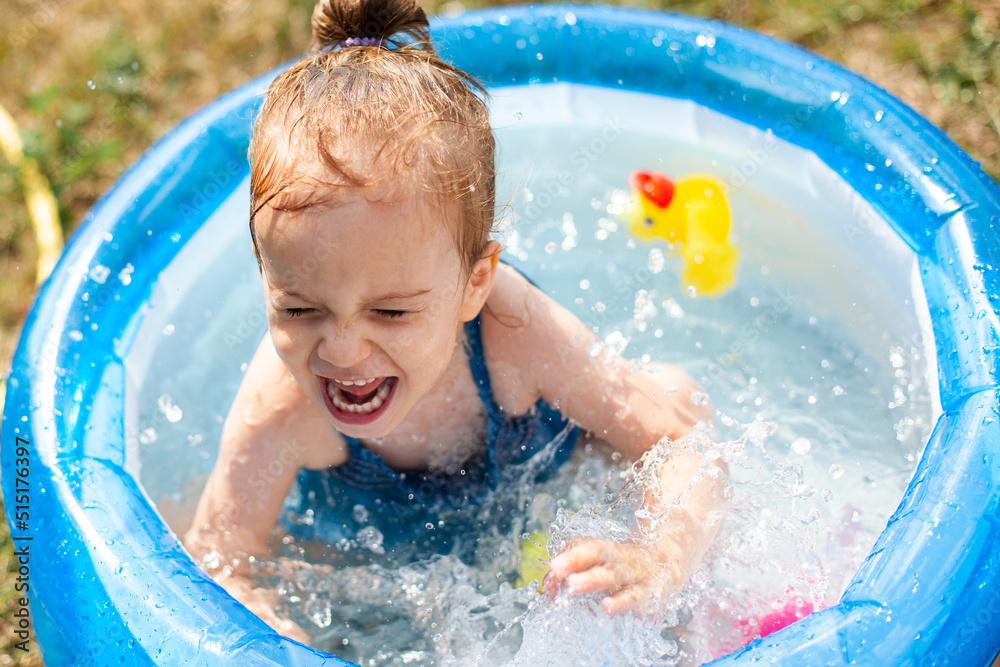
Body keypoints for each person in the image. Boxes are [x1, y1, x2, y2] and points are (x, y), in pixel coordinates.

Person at [184, 0, 726, 643]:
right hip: (374, 546)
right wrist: (269, 630)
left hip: (549, 479)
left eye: (390, 312)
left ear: (475, 282)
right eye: (299, 309)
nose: (345, 350)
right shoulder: (279, 408)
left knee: (676, 395)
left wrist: (659, 559)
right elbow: (217, 559)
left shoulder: (512, 333)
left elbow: (680, 443)